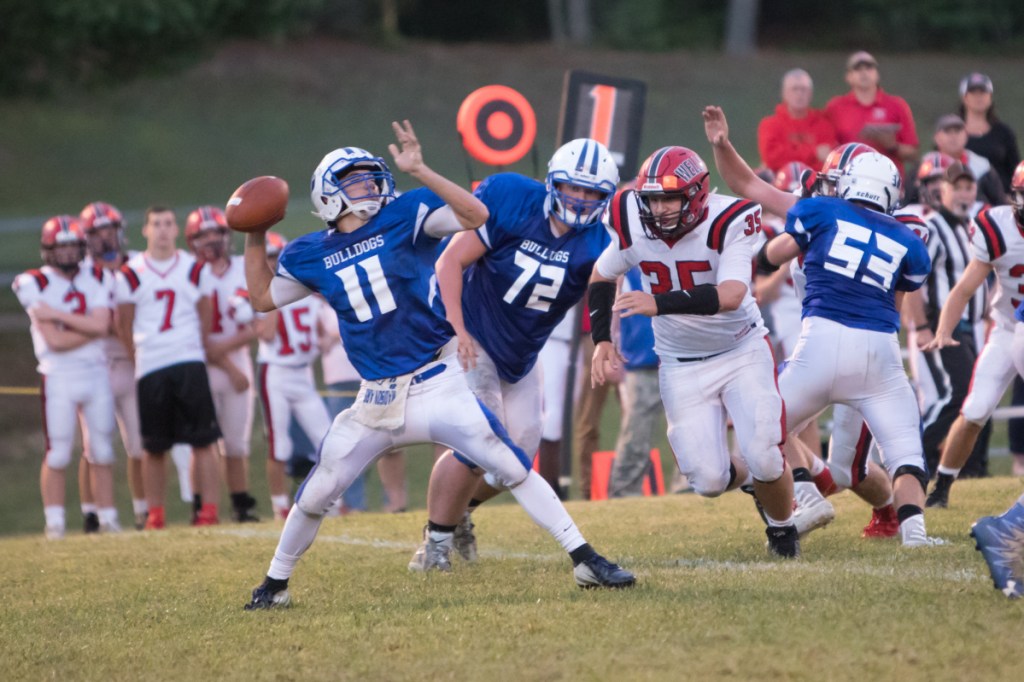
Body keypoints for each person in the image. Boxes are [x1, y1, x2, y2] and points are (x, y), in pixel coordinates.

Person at [243, 123, 634, 609]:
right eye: (356, 181)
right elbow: (261, 297)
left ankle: (583, 557)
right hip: (376, 398)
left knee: (510, 460)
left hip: (436, 378)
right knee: (318, 491)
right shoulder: (310, 253)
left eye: (372, 178)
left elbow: (475, 214)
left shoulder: (405, 214)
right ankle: (274, 585)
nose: (370, 187)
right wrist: (254, 233)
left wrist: (420, 170)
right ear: (328, 194)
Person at [703, 110, 916, 540]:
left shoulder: (872, 225)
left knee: (841, 465)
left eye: (834, 181)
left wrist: (759, 266)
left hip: (845, 343)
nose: (825, 188)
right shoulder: (815, 211)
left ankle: (819, 490)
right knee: (779, 421)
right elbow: (748, 186)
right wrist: (722, 145)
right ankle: (818, 486)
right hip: (827, 340)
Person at [408, 138, 620, 570]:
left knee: (517, 456)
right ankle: (434, 545)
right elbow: (450, 263)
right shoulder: (512, 198)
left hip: (521, 354)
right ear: (552, 184)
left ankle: (461, 510)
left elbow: (603, 293)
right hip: (473, 335)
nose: (580, 199)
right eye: (572, 188)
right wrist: (459, 330)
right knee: (479, 439)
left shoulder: (599, 241)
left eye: (591, 192)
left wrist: (603, 339)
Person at [589, 145, 800, 557]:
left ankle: (782, 529)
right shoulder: (633, 222)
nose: (660, 208)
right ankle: (755, 483)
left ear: (697, 194)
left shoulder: (729, 220)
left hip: (739, 349)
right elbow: (601, 275)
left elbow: (733, 294)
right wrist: (601, 338)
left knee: (767, 456)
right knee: (707, 480)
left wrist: (658, 303)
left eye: (670, 197)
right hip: (681, 363)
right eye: (652, 198)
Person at [754, 142, 944, 547]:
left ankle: (797, 506)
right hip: (878, 350)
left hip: (819, 344)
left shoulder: (820, 210)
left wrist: (773, 254)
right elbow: (896, 306)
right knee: (906, 451)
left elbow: (768, 257)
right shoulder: (909, 239)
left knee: (763, 427)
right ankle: (915, 534)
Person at [115, 205, 222, 529]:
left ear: (176, 230)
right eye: (155, 224)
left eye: (167, 224)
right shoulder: (131, 272)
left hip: (188, 358)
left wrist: (193, 344)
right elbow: (123, 323)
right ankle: (155, 514)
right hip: (151, 362)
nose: (162, 230)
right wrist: (138, 357)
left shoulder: (193, 269)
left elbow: (206, 313)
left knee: (203, 440)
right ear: (145, 230)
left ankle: (210, 512)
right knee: (154, 446)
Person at [923, 161, 1024, 507]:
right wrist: (943, 330)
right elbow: (965, 287)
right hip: (1008, 329)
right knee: (975, 410)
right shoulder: (998, 228)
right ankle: (942, 487)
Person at [13, 216, 120, 538]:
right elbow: (55, 342)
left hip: (95, 371)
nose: (69, 253)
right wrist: (86, 326)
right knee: (58, 452)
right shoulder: (33, 282)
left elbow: (101, 326)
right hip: (57, 375)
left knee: (101, 450)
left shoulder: (98, 276)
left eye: (73, 246)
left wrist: (58, 316)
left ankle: (108, 519)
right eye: (61, 247)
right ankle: (55, 524)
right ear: (48, 250)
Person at [902, 162, 989, 482]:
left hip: (972, 326)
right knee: (956, 394)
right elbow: (912, 277)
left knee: (974, 394)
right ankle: (913, 458)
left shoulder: (975, 227)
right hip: (942, 325)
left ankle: (971, 470)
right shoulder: (934, 227)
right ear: (944, 191)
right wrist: (922, 326)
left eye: (970, 187)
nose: (965, 193)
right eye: (958, 187)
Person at [252, 231, 336, 521]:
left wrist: (324, 341)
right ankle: (279, 506)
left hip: (303, 375)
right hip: (275, 372)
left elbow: (323, 337)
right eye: (269, 259)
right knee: (280, 444)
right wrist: (272, 301)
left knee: (326, 439)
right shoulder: (259, 295)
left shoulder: (306, 294)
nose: (274, 264)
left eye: (277, 257)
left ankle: (331, 502)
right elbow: (265, 333)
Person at [185, 206, 260, 523]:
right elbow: (187, 329)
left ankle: (240, 504)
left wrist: (225, 354)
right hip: (202, 364)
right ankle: (201, 506)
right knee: (202, 442)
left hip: (235, 360)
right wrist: (227, 364)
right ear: (192, 241)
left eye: (217, 233)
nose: (212, 240)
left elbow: (260, 325)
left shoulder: (244, 268)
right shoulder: (187, 272)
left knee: (235, 443)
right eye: (204, 235)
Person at [78, 201, 149, 529]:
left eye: (109, 230)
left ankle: (142, 510)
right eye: (97, 232)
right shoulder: (79, 272)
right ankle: (92, 512)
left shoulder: (137, 264)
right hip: (96, 363)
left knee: (140, 443)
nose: (105, 237)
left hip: (132, 360)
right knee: (94, 446)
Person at [608, 266, 663, 498]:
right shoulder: (623, 264)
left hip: (676, 358)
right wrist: (611, 346)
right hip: (638, 361)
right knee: (635, 435)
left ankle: (689, 486)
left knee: (687, 429)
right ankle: (624, 491)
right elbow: (611, 309)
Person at [825, 51, 918, 178]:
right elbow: (826, 146)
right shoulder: (835, 107)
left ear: (877, 74)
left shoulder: (897, 105)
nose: (864, 73)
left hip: (886, 179)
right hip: (847, 177)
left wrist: (893, 146)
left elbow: (913, 153)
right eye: (858, 69)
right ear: (848, 77)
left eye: (869, 68)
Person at [757, 68, 837, 171]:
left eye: (804, 89)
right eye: (794, 89)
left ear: (810, 94)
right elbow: (771, 158)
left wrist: (787, 154)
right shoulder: (770, 124)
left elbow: (827, 162)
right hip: (780, 183)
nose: (799, 94)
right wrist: (813, 153)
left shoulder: (823, 125)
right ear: (784, 93)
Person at [957, 72, 1021, 193]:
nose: (979, 97)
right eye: (973, 92)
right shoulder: (952, 131)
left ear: (990, 97)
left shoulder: (1004, 133)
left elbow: (1016, 171)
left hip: (1001, 200)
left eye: (983, 92)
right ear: (964, 97)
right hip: (961, 198)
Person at [931, 114, 1005, 206]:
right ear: (936, 138)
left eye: (957, 131)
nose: (953, 136)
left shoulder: (982, 167)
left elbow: (999, 203)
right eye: (948, 132)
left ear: (966, 136)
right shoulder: (926, 166)